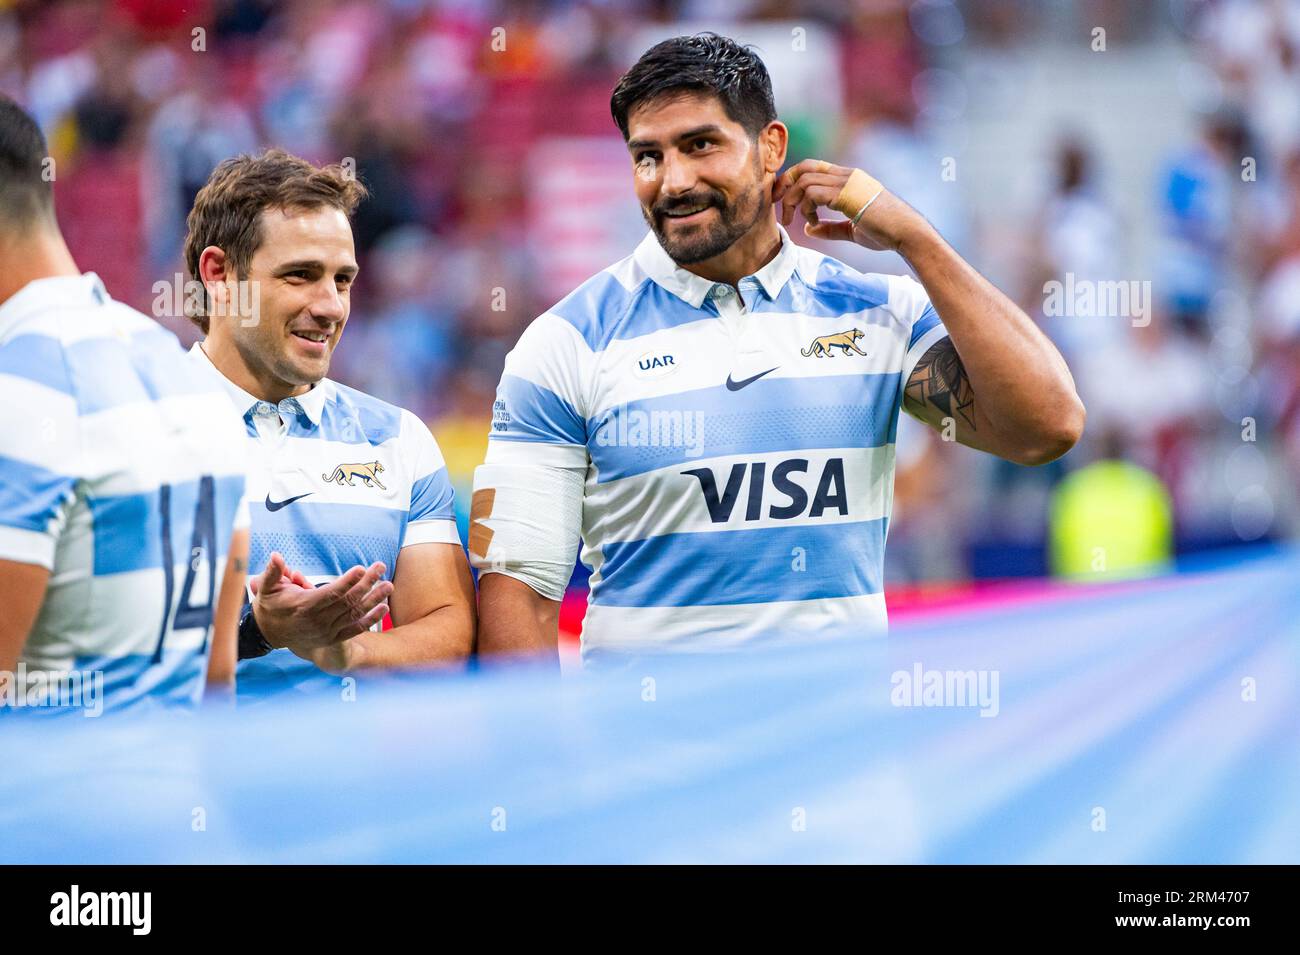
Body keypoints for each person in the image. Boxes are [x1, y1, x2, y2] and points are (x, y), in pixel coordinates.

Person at [470, 34, 1085, 666]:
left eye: (700, 145)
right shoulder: (563, 344)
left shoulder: (875, 313)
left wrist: (914, 237)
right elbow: (520, 597)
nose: (673, 181)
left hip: (841, 758)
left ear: (771, 148)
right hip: (652, 760)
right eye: (647, 156)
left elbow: (1048, 426)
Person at [183, 149, 474, 698]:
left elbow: (448, 635)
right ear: (219, 274)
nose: (331, 306)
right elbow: (90, 638)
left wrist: (342, 652)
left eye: (343, 280)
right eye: (300, 276)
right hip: (187, 776)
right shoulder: (140, 427)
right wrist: (258, 633)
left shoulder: (398, 439)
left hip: (357, 780)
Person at [0, 96, 249, 714]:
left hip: (49, 802)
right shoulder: (185, 372)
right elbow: (217, 680)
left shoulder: (21, 389)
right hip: (173, 793)